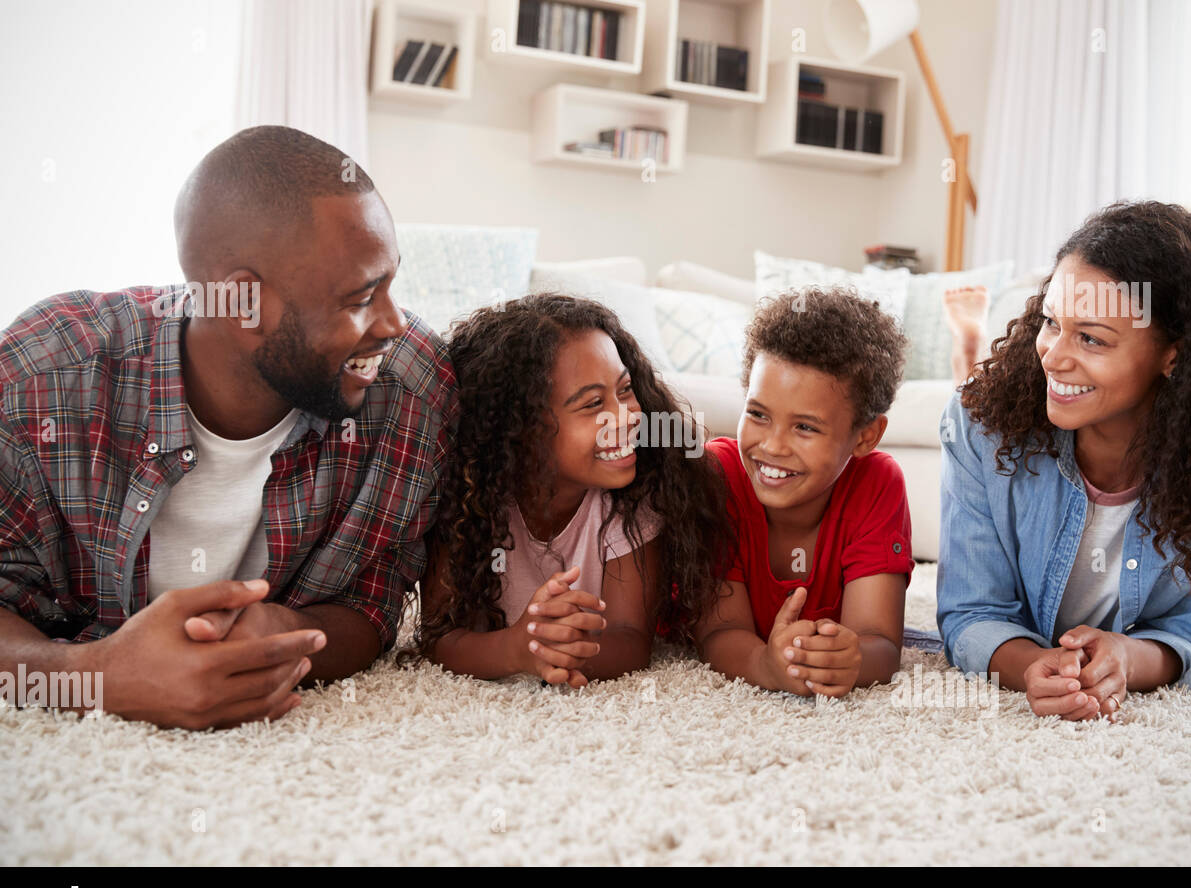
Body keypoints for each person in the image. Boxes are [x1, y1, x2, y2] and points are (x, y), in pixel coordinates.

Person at [0, 125, 457, 729]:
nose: (393, 322)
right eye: (359, 298)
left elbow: (372, 600)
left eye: (391, 282)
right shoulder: (46, 377)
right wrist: (100, 680)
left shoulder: (413, 392)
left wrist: (293, 633)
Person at [938, 200, 1191, 720]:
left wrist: (1128, 658)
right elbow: (972, 612)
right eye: (1050, 322)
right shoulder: (981, 426)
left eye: (1091, 338)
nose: (1054, 357)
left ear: (1174, 354)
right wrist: (1032, 667)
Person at [402, 293, 731, 686]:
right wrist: (516, 649)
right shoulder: (467, 501)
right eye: (593, 404)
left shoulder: (633, 499)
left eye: (625, 390)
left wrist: (559, 652)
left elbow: (630, 639)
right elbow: (440, 639)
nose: (626, 417)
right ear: (521, 431)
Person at [695, 288, 914, 698]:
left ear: (866, 436)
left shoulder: (877, 483)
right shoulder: (718, 475)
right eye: (758, 414)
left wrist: (850, 660)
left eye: (805, 427)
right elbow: (721, 631)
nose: (774, 446)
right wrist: (765, 665)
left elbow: (880, 643)